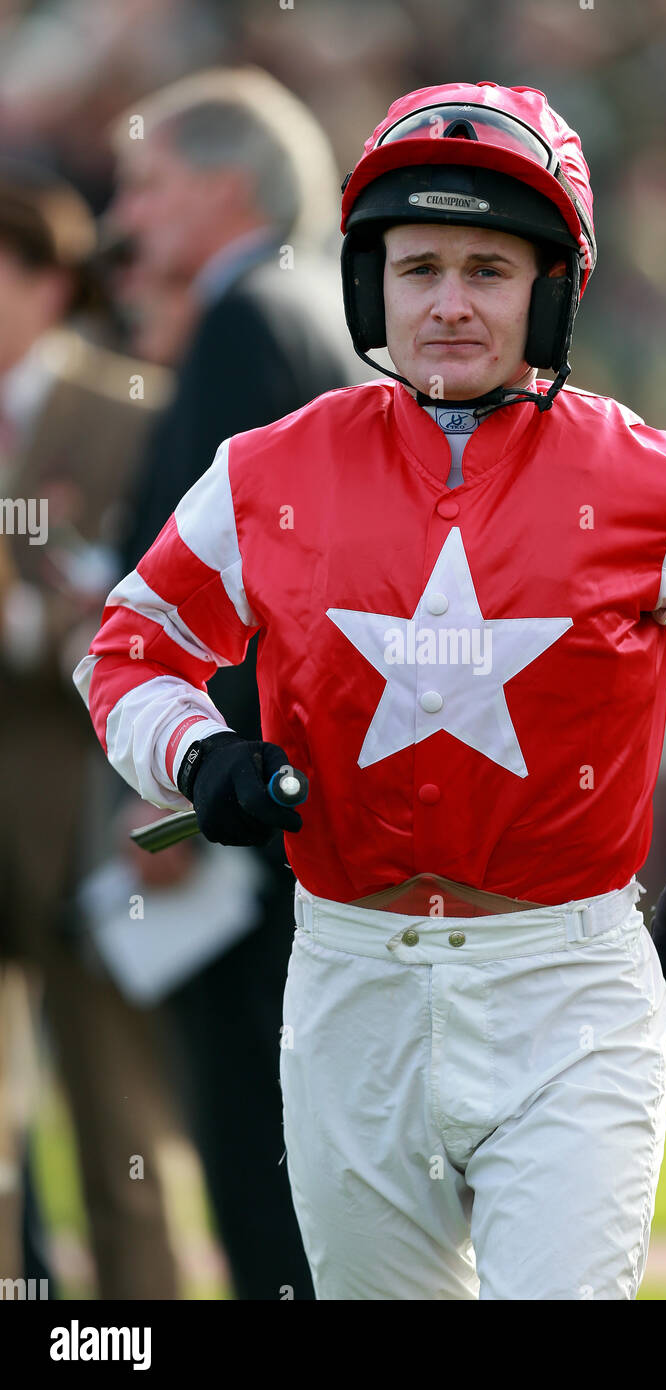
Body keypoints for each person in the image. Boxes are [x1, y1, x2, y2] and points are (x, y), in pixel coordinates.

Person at [73, 81, 666, 1301]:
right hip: (347, 984)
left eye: (488, 268)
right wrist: (199, 756)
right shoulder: (266, 469)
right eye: (418, 264)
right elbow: (125, 651)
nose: (447, 303)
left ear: (551, 291)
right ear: (369, 282)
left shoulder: (661, 482)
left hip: (567, 989)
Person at [100, 66, 366, 1300]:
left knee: (266, 1178)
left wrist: (182, 785)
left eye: (148, 186)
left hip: (250, 819)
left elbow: (230, 600)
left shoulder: (249, 314)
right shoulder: (318, 309)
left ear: (220, 187)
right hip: (309, 808)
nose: (126, 219)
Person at [0, 166, 179, 1298]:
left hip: (81, 816)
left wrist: (30, 621)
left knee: (121, 1136)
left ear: (44, 282)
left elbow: (152, 610)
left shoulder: (131, 409)